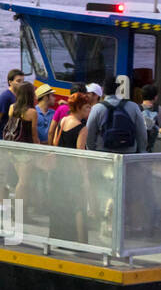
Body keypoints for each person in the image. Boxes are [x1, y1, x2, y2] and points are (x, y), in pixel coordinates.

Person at [48, 92, 94, 243]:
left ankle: (59, 238)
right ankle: (81, 243)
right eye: (87, 107)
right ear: (80, 108)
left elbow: (55, 142)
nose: (90, 110)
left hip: (58, 169)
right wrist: (86, 177)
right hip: (73, 172)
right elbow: (80, 153)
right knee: (79, 206)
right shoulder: (82, 128)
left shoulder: (63, 120)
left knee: (60, 204)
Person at [79, 81, 147, 154]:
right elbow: (141, 132)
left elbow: (90, 132)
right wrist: (141, 151)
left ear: (104, 92)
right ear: (119, 91)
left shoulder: (97, 108)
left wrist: (92, 151)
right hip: (128, 153)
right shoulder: (133, 107)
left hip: (103, 152)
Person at [139, 83, 161, 152]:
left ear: (141, 95)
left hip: (136, 151)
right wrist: (160, 130)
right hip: (151, 151)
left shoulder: (135, 109)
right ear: (155, 97)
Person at [0, 68, 25, 138]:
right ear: (10, 82)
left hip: (13, 135)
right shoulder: (5, 97)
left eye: (23, 81)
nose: (21, 84)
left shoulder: (20, 96)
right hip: (3, 136)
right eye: (18, 81)